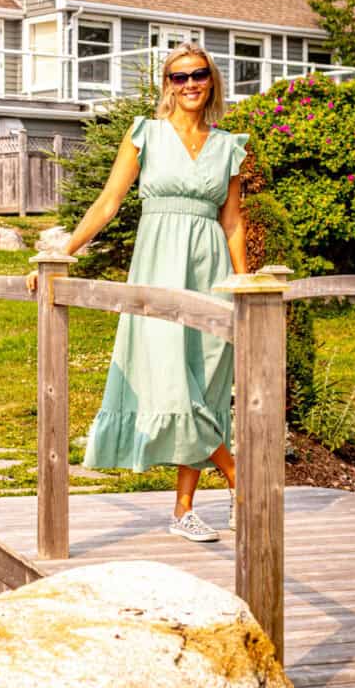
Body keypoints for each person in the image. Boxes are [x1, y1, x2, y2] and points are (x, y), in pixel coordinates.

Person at [25, 44, 248, 543]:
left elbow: (232, 220)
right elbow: (109, 201)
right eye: (178, 77)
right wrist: (64, 251)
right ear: (166, 85)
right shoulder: (144, 135)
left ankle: (184, 510)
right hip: (158, 268)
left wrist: (245, 285)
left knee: (206, 388)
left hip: (210, 272)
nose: (189, 84)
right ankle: (240, 477)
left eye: (197, 75)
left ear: (211, 81)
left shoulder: (229, 145)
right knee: (171, 381)